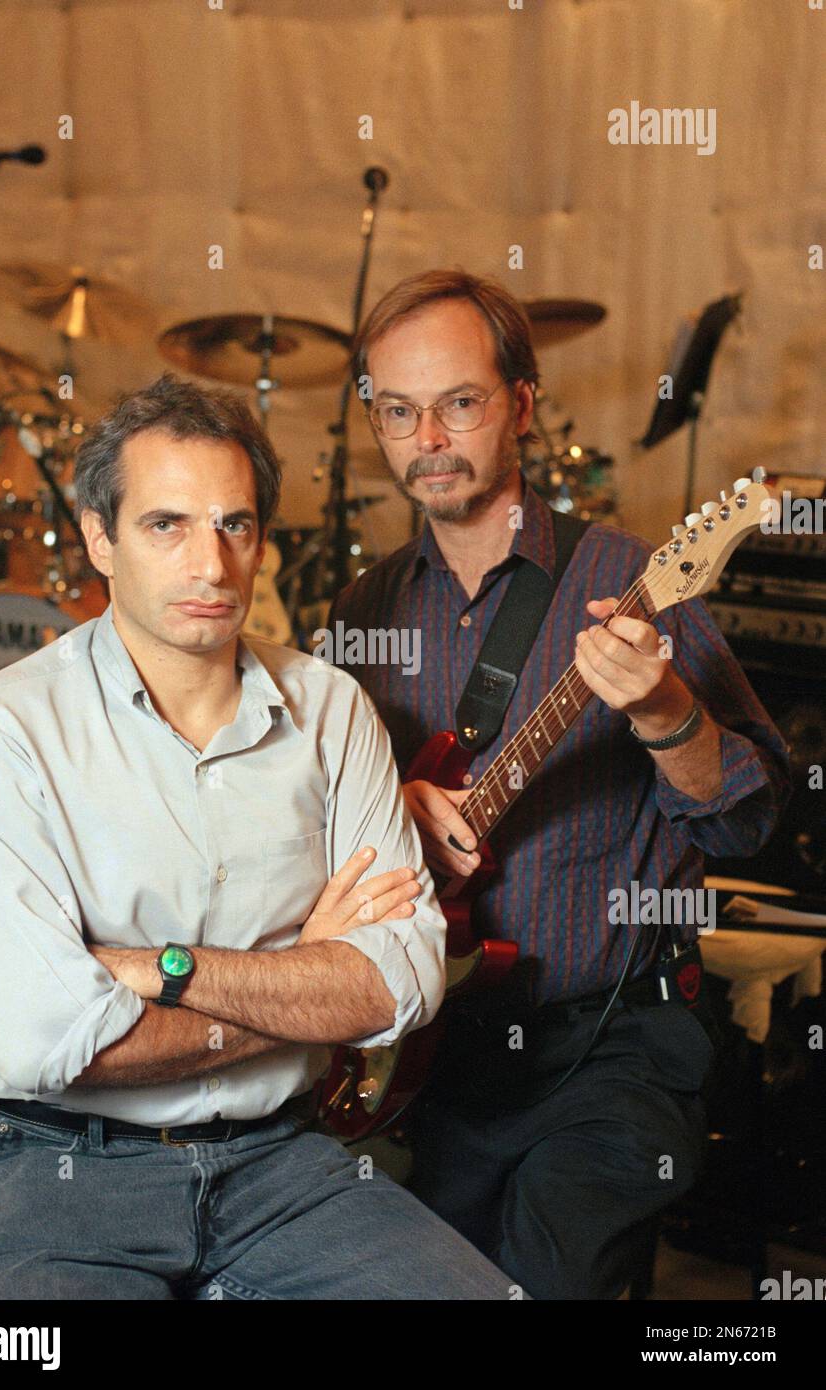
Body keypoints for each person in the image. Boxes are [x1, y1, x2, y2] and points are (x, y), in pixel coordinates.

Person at [0, 373, 512, 1300]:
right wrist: (306, 970)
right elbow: (45, 1042)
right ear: (98, 539)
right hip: (58, 1170)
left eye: (234, 525)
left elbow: (397, 986)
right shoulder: (1, 730)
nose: (210, 563)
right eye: (167, 524)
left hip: (278, 1165)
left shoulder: (331, 710)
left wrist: (158, 969)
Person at [327, 269, 792, 1299]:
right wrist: (385, 805)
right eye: (397, 411)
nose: (428, 437)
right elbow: (311, 826)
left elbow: (754, 823)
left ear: (521, 406)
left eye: (458, 402)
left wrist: (668, 715)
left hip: (610, 1047)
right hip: (432, 1051)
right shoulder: (361, 607)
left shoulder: (631, 580)